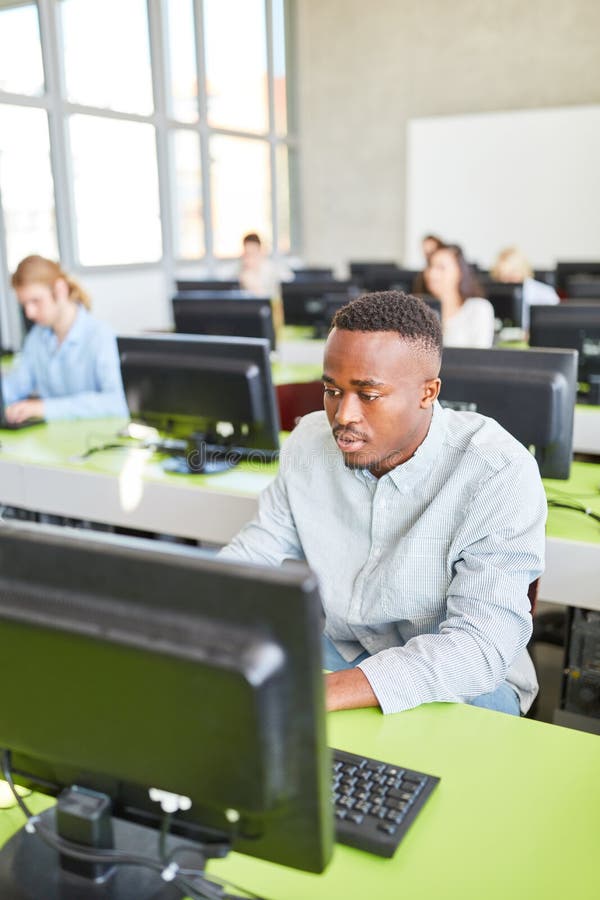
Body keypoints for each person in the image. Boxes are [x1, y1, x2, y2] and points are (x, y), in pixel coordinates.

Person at [220, 291, 546, 717]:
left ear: (428, 393)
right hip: (342, 651)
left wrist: (329, 691)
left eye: (368, 394)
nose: (343, 415)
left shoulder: (497, 472)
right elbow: (254, 555)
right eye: (332, 390)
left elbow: (478, 648)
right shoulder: (308, 442)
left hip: (466, 683)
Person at [2, 255, 128, 423]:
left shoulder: (99, 335)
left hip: (94, 439)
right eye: (24, 304)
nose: (29, 313)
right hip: (51, 440)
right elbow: (13, 388)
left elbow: (115, 403)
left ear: (60, 290)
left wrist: (44, 408)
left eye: (36, 301)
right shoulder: (36, 338)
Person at [424, 244, 495, 347]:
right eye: (430, 266)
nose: (432, 273)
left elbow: (479, 356)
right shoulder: (422, 310)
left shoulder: (479, 308)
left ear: (459, 272)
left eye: (441, 268)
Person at [491, 246, 559, 331]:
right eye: (501, 277)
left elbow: (555, 326)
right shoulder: (493, 293)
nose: (505, 282)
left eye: (510, 276)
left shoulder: (545, 293)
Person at [236, 232, 293, 299]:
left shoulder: (272, 269)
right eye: (246, 254)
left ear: (260, 252)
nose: (248, 259)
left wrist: (251, 284)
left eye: (252, 253)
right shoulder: (241, 270)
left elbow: (289, 280)